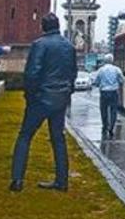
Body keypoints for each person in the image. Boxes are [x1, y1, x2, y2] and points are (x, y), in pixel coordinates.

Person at [9, 13, 77, 192]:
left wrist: (30, 96)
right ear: (58, 25)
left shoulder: (39, 44)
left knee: (25, 136)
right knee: (58, 139)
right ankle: (62, 181)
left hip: (41, 98)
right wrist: (66, 92)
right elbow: (73, 73)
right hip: (60, 98)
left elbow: (32, 73)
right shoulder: (69, 46)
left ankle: (17, 179)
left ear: (43, 27)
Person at [93, 53, 123, 138]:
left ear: (105, 61)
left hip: (104, 92)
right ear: (112, 60)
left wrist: (99, 84)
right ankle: (111, 127)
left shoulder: (101, 70)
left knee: (104, 110)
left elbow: (96, 81)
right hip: (114, 92)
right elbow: (121, 80)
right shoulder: (117, 69)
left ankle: (105, 126)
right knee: (113, 111)